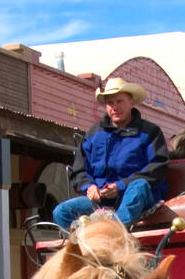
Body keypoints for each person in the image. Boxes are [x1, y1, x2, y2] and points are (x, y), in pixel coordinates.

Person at [51, 77, 169, 230]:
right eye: (110, 103)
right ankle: (84, 249)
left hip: (136, 196)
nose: (115, 107)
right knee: (61, 212)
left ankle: (112, 231)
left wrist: (120, 186)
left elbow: (157, 167)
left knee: (139, 186)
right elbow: (79, 170)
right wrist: (89, 188)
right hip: (100, 201)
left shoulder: (150, 131)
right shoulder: (93, 134)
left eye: (119, 101)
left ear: (131, 102)